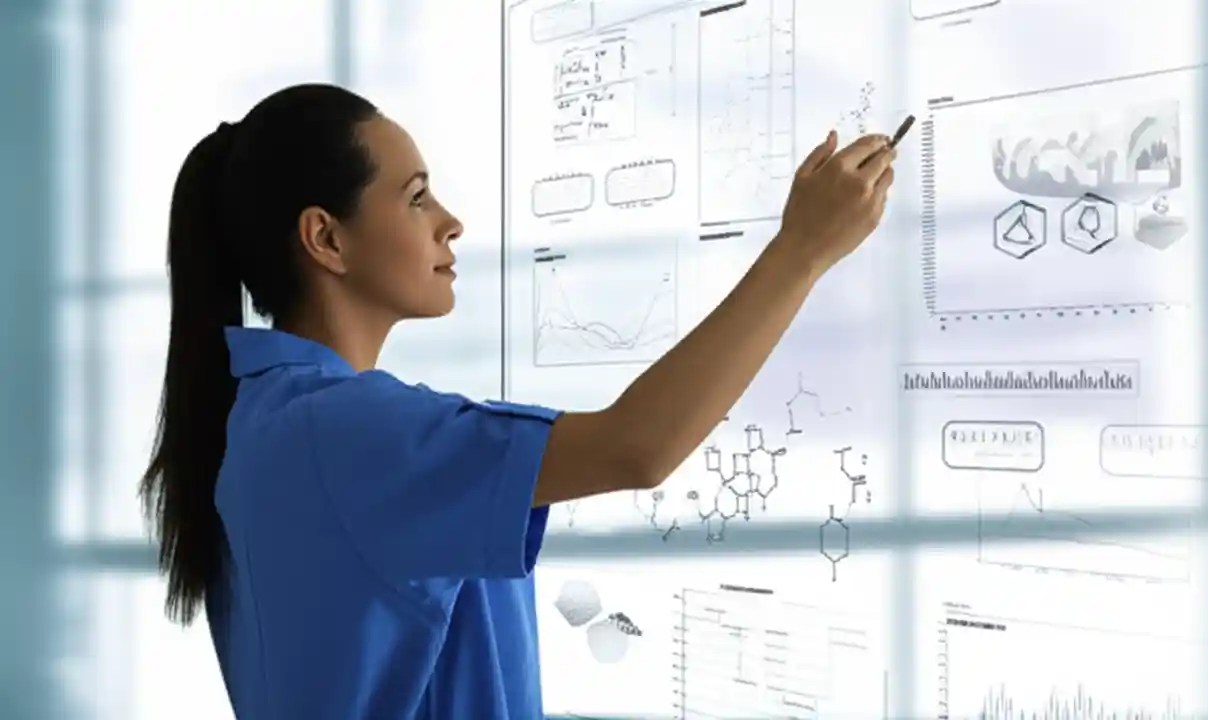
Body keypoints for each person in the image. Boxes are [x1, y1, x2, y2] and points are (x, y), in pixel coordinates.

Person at [140, 83, 896, 719]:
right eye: (415, 197)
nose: (449, 221)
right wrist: (803, 250)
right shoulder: (344, 431)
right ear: (327, 240)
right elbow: (637, 446)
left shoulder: (271, 420)